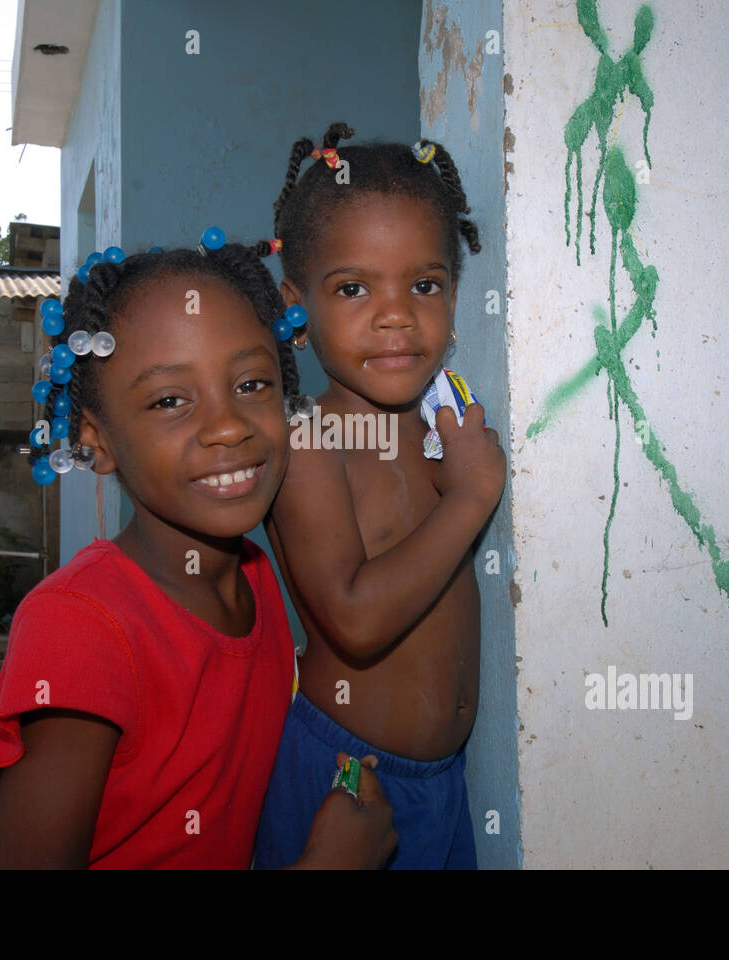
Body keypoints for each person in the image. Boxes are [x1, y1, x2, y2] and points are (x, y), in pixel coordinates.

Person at [0, 236, 396, 869]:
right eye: (169, 401)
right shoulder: (80, 628)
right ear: (96, 440)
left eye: (252, 383)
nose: (229, 425)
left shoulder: (255, 579)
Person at [252, 124, 506, 869]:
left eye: (423, 285)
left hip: (443, 783)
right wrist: (469, 498)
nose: (396, 314)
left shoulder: (439, 424)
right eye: (354, 288)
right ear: (296, 309)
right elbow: (356, 620)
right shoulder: (307, 441)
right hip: (349, 785)